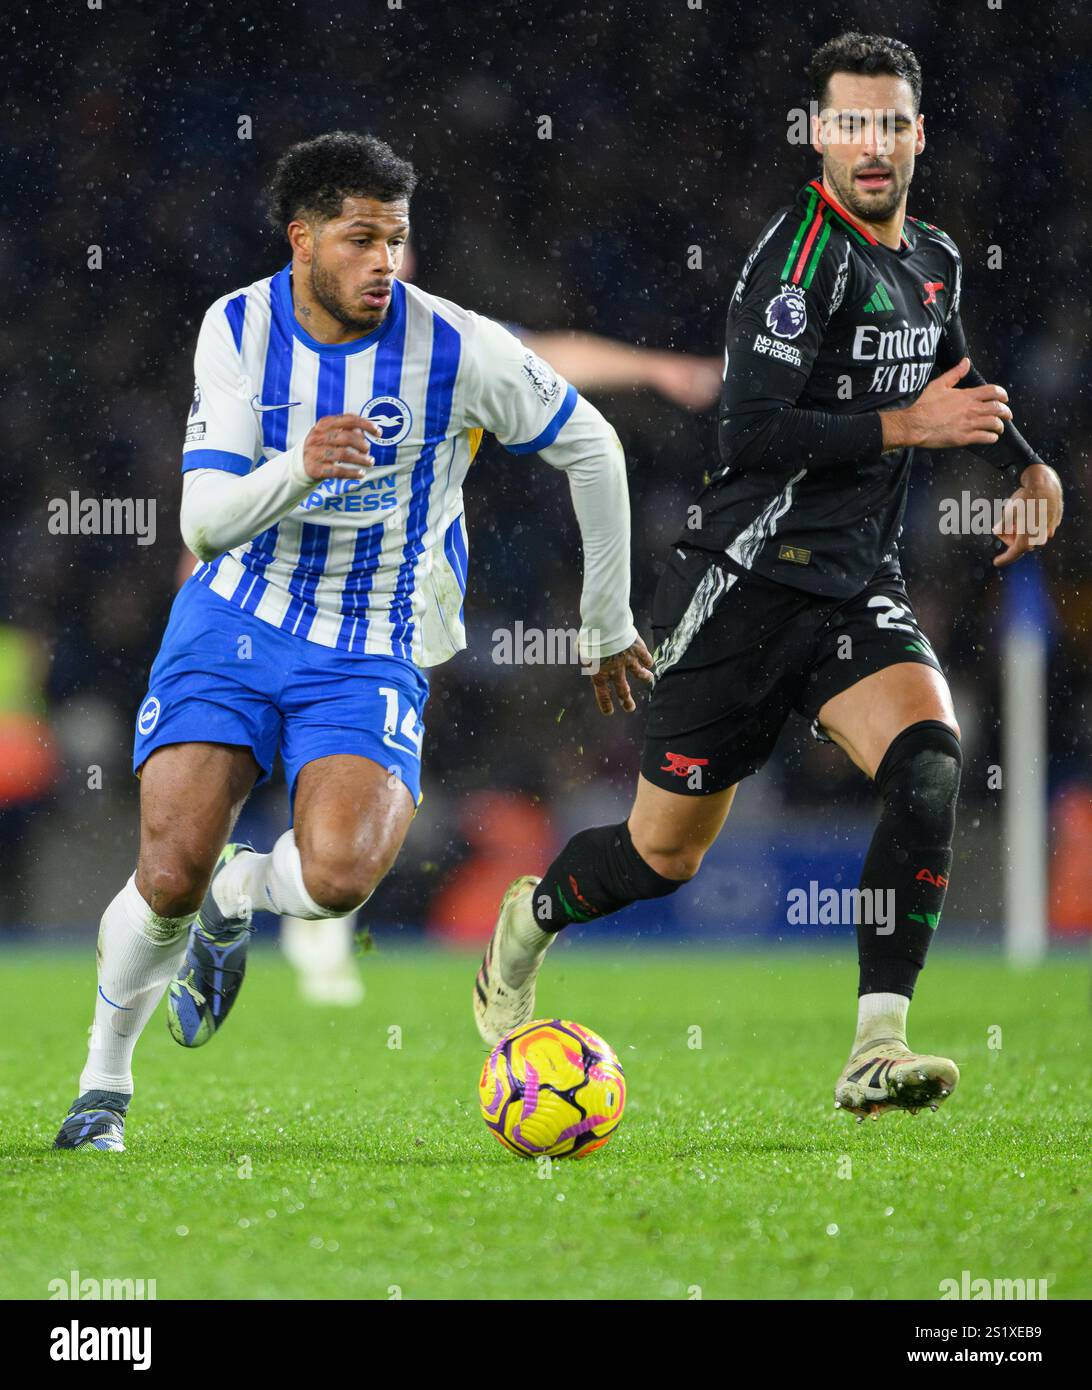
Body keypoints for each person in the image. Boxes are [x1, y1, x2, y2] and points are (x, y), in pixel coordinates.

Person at [472, 31, 1064, 1120]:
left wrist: (1025, 463)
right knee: (662, 856)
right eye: (849, 122)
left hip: (855, 585)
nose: (871, 144)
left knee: (930, 761)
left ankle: (874, 1047)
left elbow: (955, 375)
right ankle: (531, 915)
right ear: (819, 134)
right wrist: (906, 427)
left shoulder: (933, 257)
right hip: (748, 582)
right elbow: (752, 428)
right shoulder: (795, 261)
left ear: (919, 134)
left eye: (891, 122)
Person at [54, 131, 651, 1151]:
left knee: (336, 882)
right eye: (361, 238)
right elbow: (201, 523)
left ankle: (241, 894)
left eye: (397, 239)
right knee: (165, 873)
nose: (384, 261)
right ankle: (101, 1091)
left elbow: (592, 444)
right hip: (238, 616)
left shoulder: (455, 345)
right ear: (303, 240)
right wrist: (301, 466)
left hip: (370, 640)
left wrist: (607, 622)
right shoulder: (236, 328)